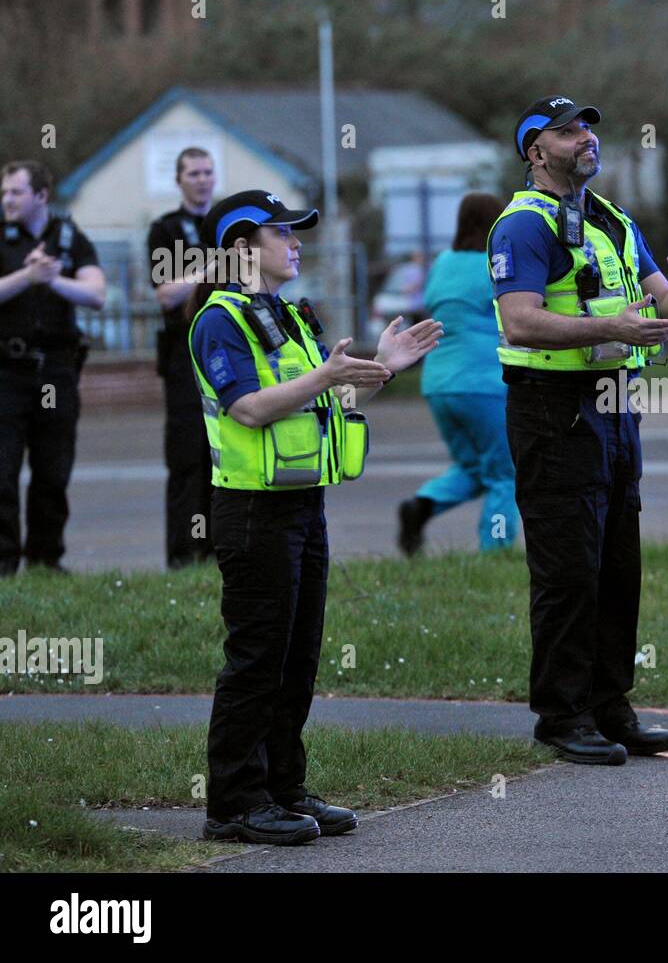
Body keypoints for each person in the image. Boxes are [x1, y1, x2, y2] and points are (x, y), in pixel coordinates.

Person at [189, 189, 441, 844]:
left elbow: (322, 398)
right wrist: (329, 377)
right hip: (252, 510)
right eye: (284, 233)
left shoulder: (288, 314)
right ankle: (234, 802)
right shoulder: (220, 320)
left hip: (303, 505)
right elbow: (249, 408)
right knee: (257, 657)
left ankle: (282, 786)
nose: (296, 242)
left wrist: (381, 366)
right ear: (244, 246)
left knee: (296, 658)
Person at [491, 95, 668, 765]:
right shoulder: (522, 224)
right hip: (552, 407)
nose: (586, 138)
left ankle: (611, 703)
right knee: (568, 569)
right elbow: (520, 320)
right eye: (567, 131)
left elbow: (662, 302)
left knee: (618, 565)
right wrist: (612, 327)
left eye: (588, 127)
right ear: (536, 152)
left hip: (616, 406)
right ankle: (562, 714)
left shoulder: (613, 219)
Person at [397, 192, 519, 554]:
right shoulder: (494, 262)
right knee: (504, 473)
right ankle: (496, 552)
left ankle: (422, 506)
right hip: (483, 381)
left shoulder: (443, 263)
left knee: (474, 466)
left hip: (438, 382)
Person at [0, 160, 106, 576]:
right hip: (6, 370)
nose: (7, 199)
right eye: (5, 192)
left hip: (56, 371)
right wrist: (27, 276)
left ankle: (46, 561)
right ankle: (4, 565)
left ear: (41, 196)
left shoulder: (70, 239)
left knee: (53, 469)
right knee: (2, 473)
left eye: (15, 192)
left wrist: (53, 279)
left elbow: (96, 294)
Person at [148, 147, 217, 568]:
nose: (202, 179)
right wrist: (211, 269)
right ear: (179, 180)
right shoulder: (166, 230)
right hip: (182, 355)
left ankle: (217, 550)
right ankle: (183, 554)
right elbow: (165, 291)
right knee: (187, 456)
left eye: (208, 172)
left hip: (223, 350)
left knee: (221, 456)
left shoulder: (226, 226)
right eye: (193, 173)